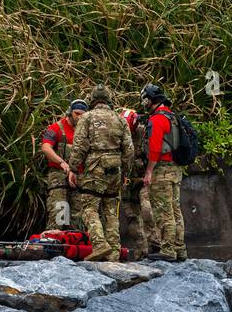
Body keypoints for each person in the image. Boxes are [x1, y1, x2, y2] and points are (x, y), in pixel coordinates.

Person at [66, 84, 133, 262]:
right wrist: (126, 171)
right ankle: (114, 252)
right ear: (109, 101)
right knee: (111, 210)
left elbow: (79, 146)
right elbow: (129, 149)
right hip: (115, 169)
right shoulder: (120, 120)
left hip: (95, 168)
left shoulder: (86, 118)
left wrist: (73, 168)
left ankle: (99, 244)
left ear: (92, 100)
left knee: (88, 208)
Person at [139, 83, 186, 261]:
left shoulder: (157, 119)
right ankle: (180, 248)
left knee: (163, 212)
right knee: (175, 210)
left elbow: (155, 149)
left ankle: (167, 250)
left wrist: (149, 172)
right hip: (176, 170)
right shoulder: (172, 117)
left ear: (150, 100)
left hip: (162, 171)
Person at [38, 99, 87, 229]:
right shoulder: (56, 128)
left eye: (83, 114)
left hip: (78, 177)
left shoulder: (86, 132)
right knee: (60, 211)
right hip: (59, 175)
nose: (80, 117)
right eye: (77, 113)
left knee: (79, 216)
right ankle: (54, 240)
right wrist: (62, 162)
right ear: (70, 113)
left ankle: (75, 242)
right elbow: (46, 148)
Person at [118, 107, 154, 258]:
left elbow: (154, 153)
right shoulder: (117, 132)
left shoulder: (144, 133)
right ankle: (141, 251)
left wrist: (149, 173)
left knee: (147, 209)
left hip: (144, 178)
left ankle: (156, 244)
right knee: (131, 215)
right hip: (127, 182)